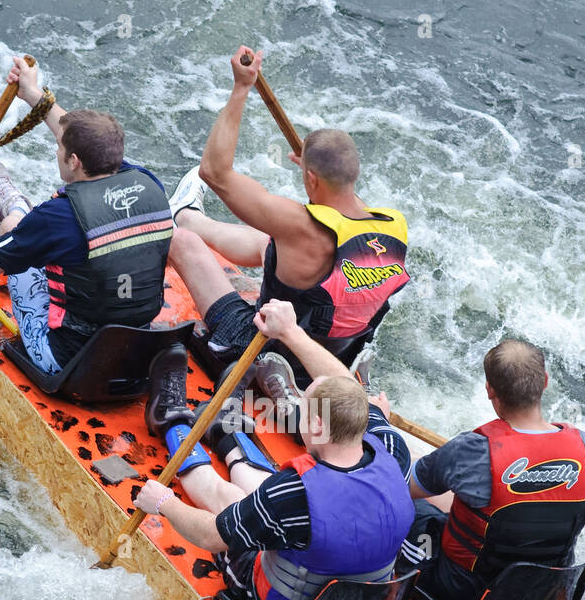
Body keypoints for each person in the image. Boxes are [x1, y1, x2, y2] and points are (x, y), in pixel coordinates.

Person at [137, 300, 416, 600]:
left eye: (302, 407)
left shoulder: (293, 494)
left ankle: (171, 421)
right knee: (270, 502)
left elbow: (212, 536)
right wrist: (290, 332)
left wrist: (164, 503)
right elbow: (351, 394)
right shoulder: (393, 449)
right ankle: (227, 429)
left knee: (230, 502)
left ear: (316, 426)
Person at [0, 56, 174, 377]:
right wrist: (33, 94)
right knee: (44, 239)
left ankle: (0, 221)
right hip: (136, 352)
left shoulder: (59, 216)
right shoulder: (147, 182)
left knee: (17, 228)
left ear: (74, 161)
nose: (56, 150)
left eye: (61, 148)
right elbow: (84, 140)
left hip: (66, 361)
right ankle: (7, 212)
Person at [166, 45, 411, 388]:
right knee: (272, 244)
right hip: (332, 359)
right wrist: (313, 170)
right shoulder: (392, 225)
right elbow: (340, 204)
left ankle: (184, 225)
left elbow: (214, 172)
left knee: (182, 242)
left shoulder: (300, 227)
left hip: (267, 355)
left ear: (311, 178)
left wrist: (241, 88)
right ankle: (188, 216)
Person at [401, 338, 585, 600]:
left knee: (414, 510)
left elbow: (402, 489)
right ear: (545, 382)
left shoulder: (469, 451)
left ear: (490, 390)